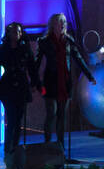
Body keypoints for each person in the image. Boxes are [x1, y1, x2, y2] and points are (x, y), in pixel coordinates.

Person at [33, 13, 95, 147]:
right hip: (50, 82)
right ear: (52, 25)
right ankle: (48, 145)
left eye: (64, 23)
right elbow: (36, 64)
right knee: (51, 114)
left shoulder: (68, 41)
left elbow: (78, 59)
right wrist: (35, 83)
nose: (62, 25)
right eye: (59, 22)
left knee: (62, 116)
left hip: (65, 83)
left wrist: (89, 75)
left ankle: (60, 147)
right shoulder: (44, 42)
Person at [0, 22, 39, 156]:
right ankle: (8, 149)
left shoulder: (25, 49)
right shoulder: (3, 49)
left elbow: (32, 68)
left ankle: (15, 148)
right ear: (9, 33)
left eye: (18, 32)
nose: (16, 34)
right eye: (14, 32)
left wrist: (35, 84)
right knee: (11, 118)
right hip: (8, 86)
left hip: (22, 85)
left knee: (18, 120)